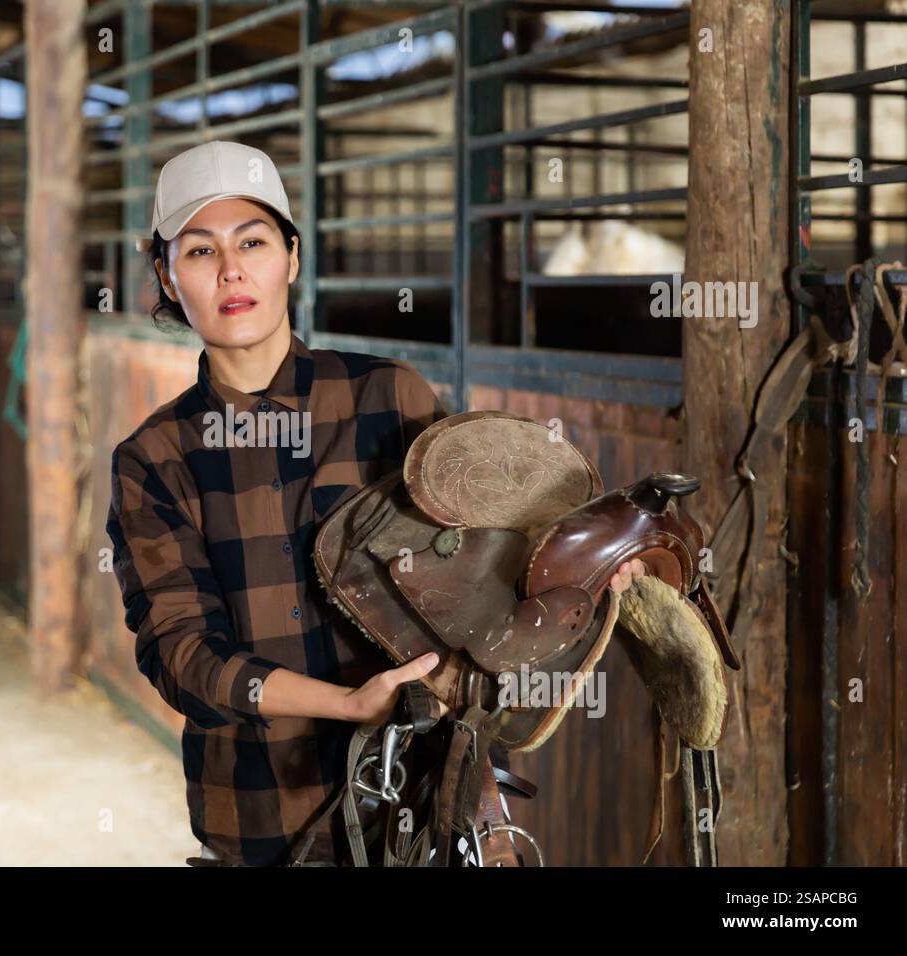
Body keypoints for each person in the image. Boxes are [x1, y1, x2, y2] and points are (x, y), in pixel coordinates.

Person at [105, 140, 649, 866]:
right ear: (168, 278)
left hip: (421, 806)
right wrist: (347, 704)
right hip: (257, 820)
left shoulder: (389, 399)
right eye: (199, 251)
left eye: (253, 241)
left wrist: (587, 575)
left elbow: (492, 560)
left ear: (291, 258)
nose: (231, 269)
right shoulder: (155, 458)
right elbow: (182, 655)